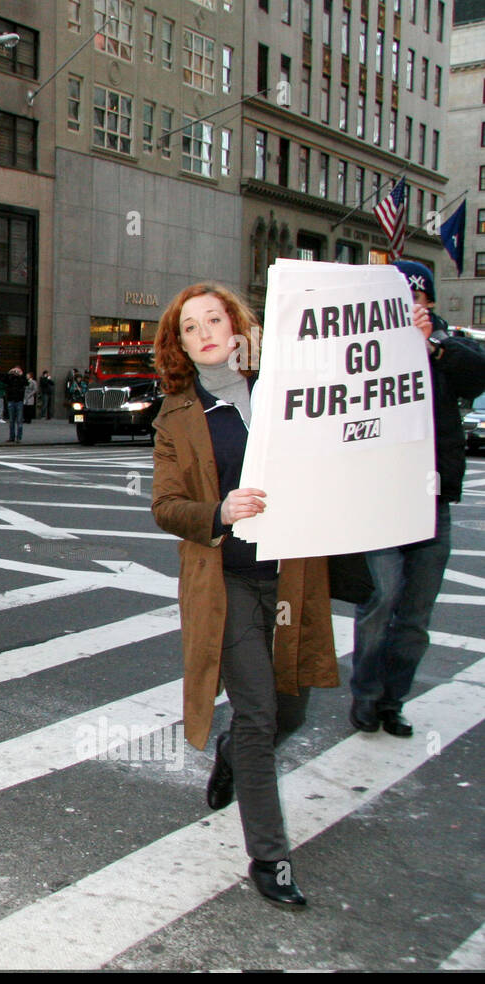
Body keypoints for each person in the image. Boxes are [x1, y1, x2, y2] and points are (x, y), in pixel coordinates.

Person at [151, 282, 338, 907]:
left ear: (237, 327)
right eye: (189, 327)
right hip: (225, 585)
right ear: (178, 345)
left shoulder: (290, 394)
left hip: (294, 580)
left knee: (293, 713)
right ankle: (270, 858)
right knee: (258, 716)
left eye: (214, 319)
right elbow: (167, 506)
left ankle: (231, 752)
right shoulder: (177, 415)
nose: (204, 332)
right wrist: (220, 509)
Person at [349, 262, 485, 738]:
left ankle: (393, 699)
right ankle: (364, 695)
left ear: (427, 304)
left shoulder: (449, 348)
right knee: (381, 598)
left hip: (432, 500)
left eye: (417, 302)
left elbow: (477, 375)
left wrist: (429, 344)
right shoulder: (365, 347)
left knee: (416, 613)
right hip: (382, 497)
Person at [6, 365, 25, 442]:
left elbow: (26, 383)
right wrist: (9, 373)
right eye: (15, 371)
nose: (16, 372)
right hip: (11, 400)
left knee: (19, 420)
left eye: (18, 371)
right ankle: (12, 437)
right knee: (11, 420)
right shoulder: (10, 378)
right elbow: (4, 380)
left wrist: (21, 375)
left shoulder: (22, 379)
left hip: (19, 401)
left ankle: (19, 437)